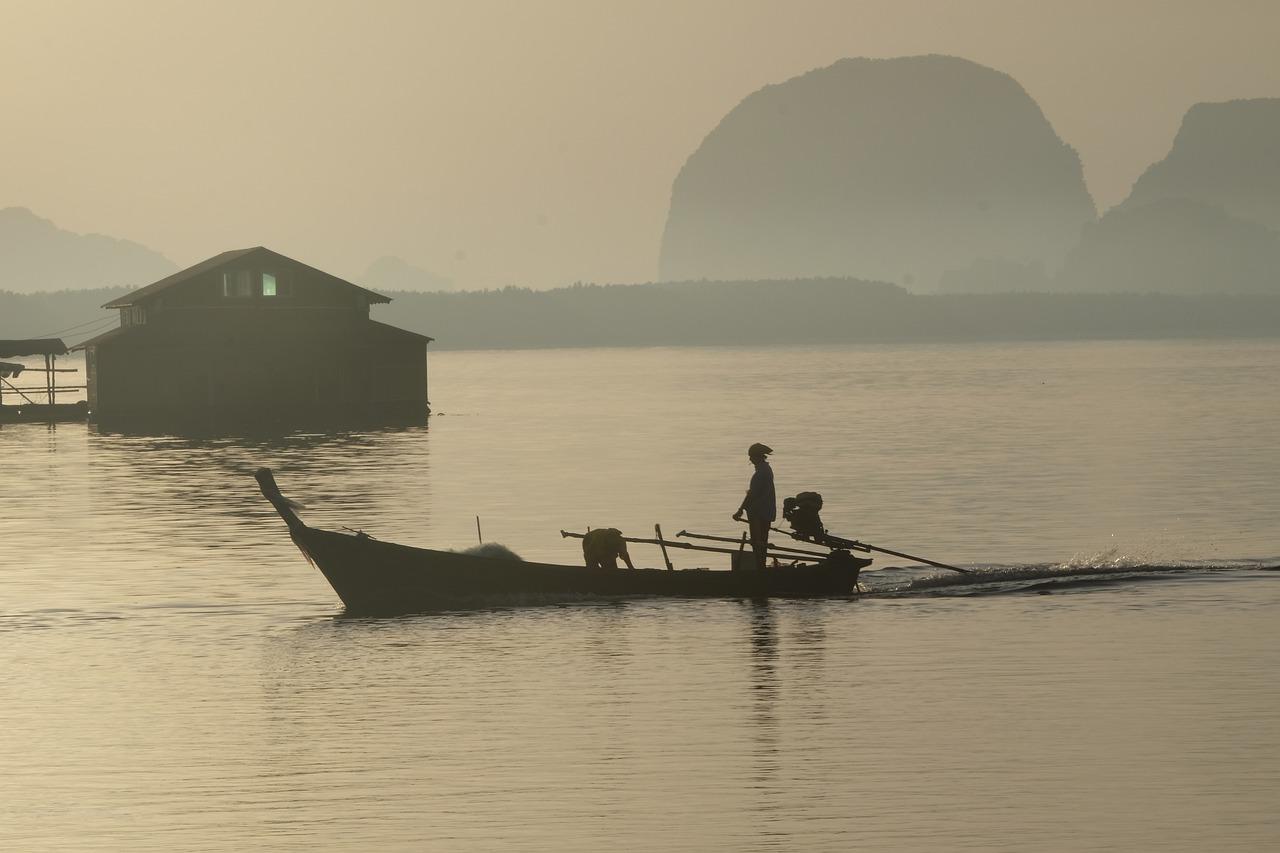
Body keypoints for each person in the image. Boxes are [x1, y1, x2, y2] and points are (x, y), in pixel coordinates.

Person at [732, 443, 776, 570]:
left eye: (751, 456)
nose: (750, 459)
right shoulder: (766, 470)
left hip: (758, 513)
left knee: (757, 543)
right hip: (765, 512)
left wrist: (740, 510)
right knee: (762, 542)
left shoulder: (761, 473)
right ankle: (760, 567)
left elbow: (751, 495)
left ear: (758, 457)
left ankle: (759, 569)